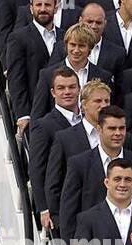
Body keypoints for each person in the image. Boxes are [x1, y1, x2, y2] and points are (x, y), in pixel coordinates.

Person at [59, 106, 132, 240]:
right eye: (112, 129)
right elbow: (68, 212)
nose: (118, 133)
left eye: (122, 128)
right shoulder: (79, 164)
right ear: (99, 129)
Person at [46, 79, 110, 231]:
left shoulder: (121, 137)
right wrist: (59, 219)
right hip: (79, 221)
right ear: (84, 104)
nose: (104, 105)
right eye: (98, 101)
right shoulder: (65, 139)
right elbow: (54, 181)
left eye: (107, 101)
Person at [27, 69, 82, 233]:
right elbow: (36, 168)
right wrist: (43, 208)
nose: (67, 92)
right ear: (52, 92)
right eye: (61, 88)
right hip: (59, 205)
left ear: (79, 89)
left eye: (72, 87)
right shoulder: (43, 126)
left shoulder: (88, 121)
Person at [6, 0, 62, 130]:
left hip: (63, 111)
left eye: (47, 5)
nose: (43, 9)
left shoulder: (66, 36)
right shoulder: (18, 38)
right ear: (31, 9)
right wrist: (23, 114)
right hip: (35, 111)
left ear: (55, 8)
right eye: (38, 5)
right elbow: (16, 78)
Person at [30, 24, 111, 120]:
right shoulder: (48, 75)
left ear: (90, 48)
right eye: (72, 45)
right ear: (66, 45)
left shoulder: (103, 76)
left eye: (81, 46)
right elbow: (37, 115)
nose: (76, 50)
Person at [58, 3, 127, 82]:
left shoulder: (117, 53)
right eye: (90, 21)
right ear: (80, 20)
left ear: (105, 23)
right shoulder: (61, 47)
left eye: (98, 23)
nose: (94, 26)